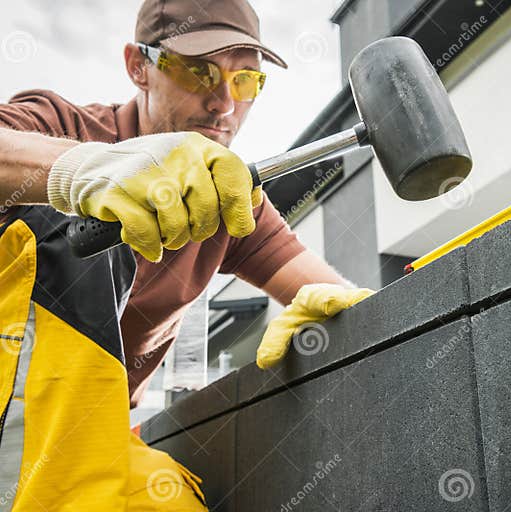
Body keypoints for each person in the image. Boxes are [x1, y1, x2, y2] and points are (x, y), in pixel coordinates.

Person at [0, 0, 374, 508]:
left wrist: (337, 310)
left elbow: (330, 292)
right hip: (20, 427)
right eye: (199, 71)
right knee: (59, 227)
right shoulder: (62, 125)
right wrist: (79, 171)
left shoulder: (229, 198)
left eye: (245, 82)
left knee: (167, 498)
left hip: (98, 443)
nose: (224, 103)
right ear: (138, 66)